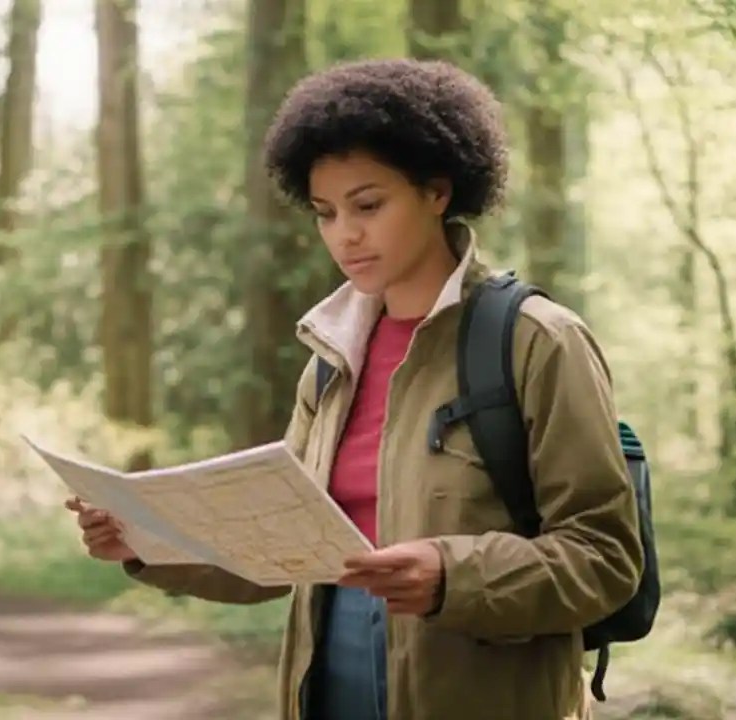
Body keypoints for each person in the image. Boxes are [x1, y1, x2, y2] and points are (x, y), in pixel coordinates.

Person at [66, 58, 644, 720]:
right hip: (327, 688)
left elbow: (603, 557)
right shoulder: (332, 357)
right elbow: (277, 551)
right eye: (325, 212)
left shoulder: (537, 342)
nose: (345, 233)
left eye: (368, 205)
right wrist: (146, 540)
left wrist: (453, 576)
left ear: (437, 191)